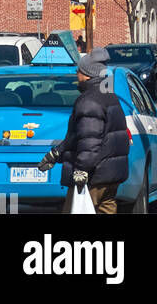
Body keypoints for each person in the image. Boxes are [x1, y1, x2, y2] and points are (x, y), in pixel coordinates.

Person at [36, 49, 129, 215]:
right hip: (111, 174)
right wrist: (56, 154)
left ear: (87, 74)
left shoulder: (89, 101)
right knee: (107, 209)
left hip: (94, 176)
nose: (76, 73)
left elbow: (90, 141)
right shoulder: (108, 95)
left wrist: (81, 169)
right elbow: (80, 136)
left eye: (78, 70)